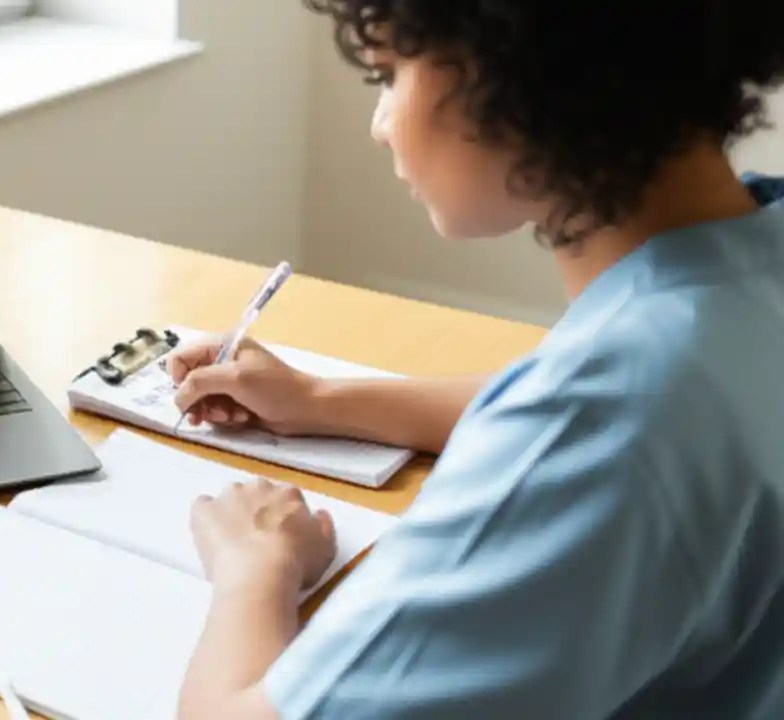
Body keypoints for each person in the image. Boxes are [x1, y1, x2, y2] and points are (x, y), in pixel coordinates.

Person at [171, 2, 784, 718]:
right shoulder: (736, 270)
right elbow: (618, 393)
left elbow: (595, 422)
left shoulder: (604, 420)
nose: (380, 124)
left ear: (507, 68)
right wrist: (318, 400)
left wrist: (254, 569)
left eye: (389, 74)